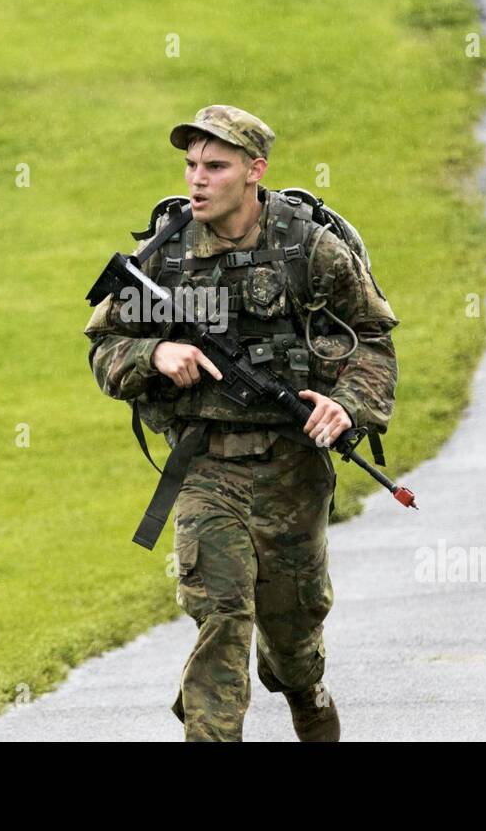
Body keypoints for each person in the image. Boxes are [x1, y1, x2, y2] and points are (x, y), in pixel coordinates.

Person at [83, 104, 400, 741]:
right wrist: (153, 353)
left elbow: (371, 336)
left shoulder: (308, 246)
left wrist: (348, 406)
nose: (198, 179)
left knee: (291, 631)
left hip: (291, 467)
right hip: (206, 465)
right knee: (222, 616)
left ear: (254, 171)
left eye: (216, 166)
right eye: (191, 165)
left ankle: (306, 689)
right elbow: (105, 347)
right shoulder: (163, 254)